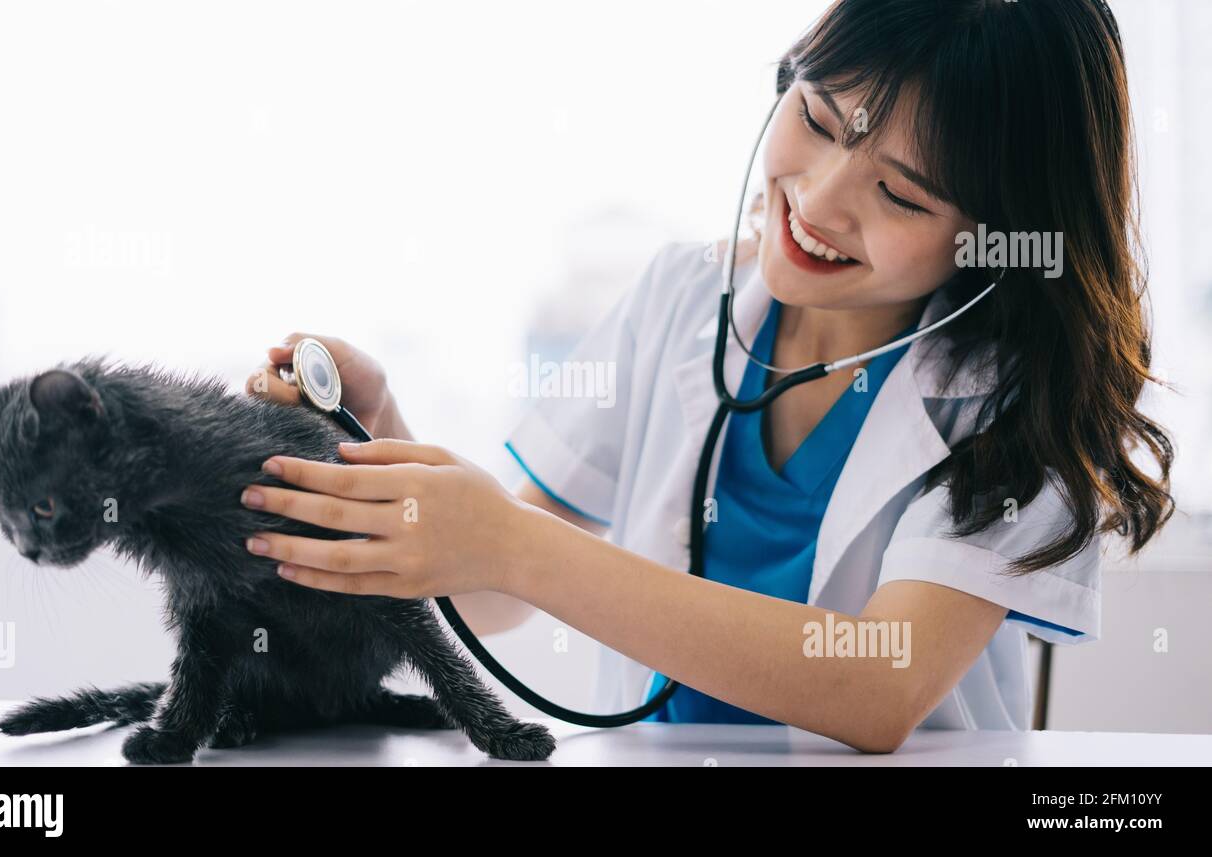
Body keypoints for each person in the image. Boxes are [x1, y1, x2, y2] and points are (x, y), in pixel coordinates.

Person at [241, 0, 1173, 752]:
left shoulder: (1020, 398)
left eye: (900, 193)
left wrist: (507, 542)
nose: (819, 200)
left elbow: (879, 684)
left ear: (995, 237)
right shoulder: (679, 298)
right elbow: (494, 592)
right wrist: (381, 447)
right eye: (816, 117)